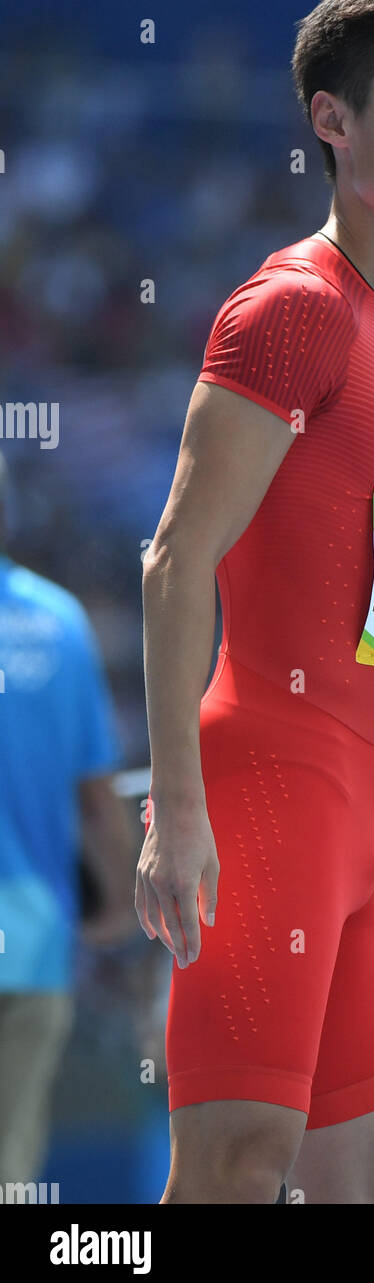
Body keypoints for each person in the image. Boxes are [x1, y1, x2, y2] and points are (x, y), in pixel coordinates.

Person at [135, 0, 374, 1204]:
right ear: (333, 120)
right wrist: (181, 813)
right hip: (263, 790)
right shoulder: (294, 311)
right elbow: (176, 560)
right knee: (237, 1168)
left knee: (367, 1188)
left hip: (361, 810)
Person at [0, 448, 135, 1192]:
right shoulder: (58, 622)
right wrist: (115, 904)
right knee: (10, 1161)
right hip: (34, 941)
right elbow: (95, 796)